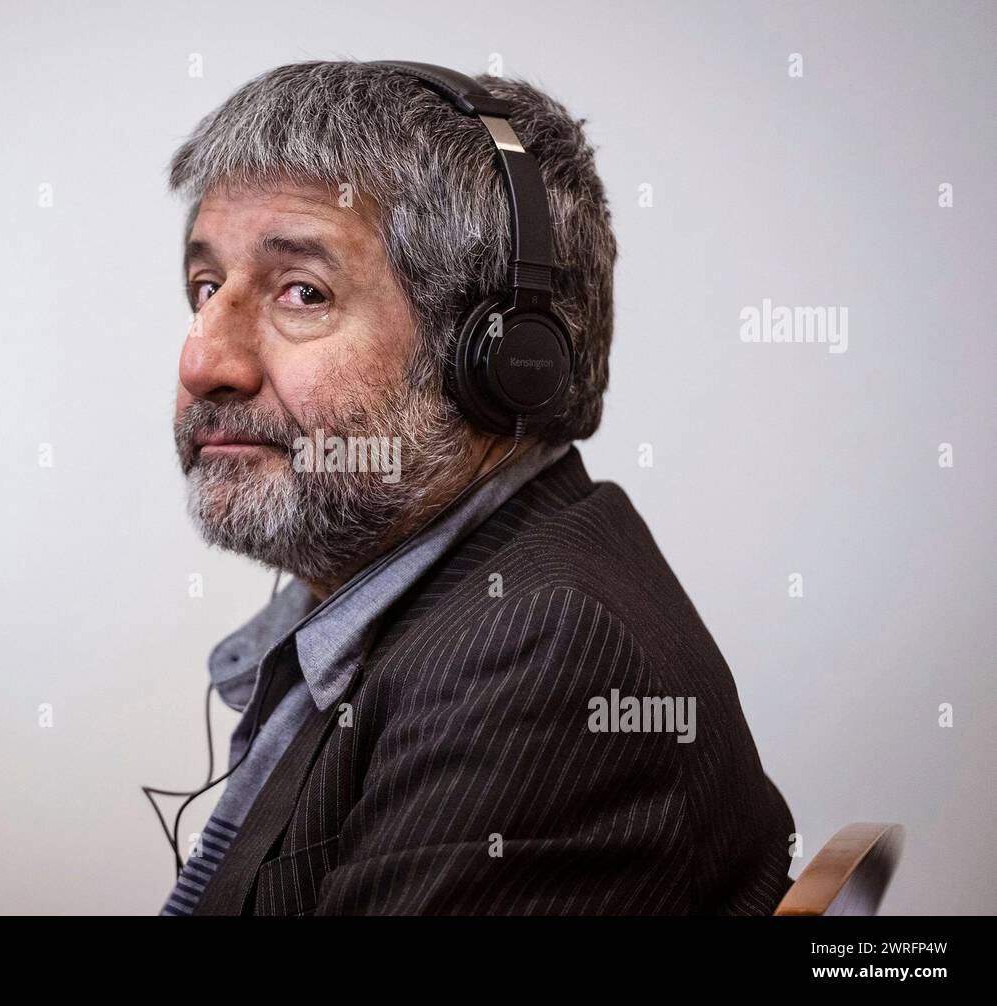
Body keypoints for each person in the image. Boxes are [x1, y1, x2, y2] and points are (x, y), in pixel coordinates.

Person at [155, 59, 795, 915]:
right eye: (206, 288)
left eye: (302, 292)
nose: (203, 360)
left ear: (499, 360)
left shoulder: (538, 650)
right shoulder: (417, 600)